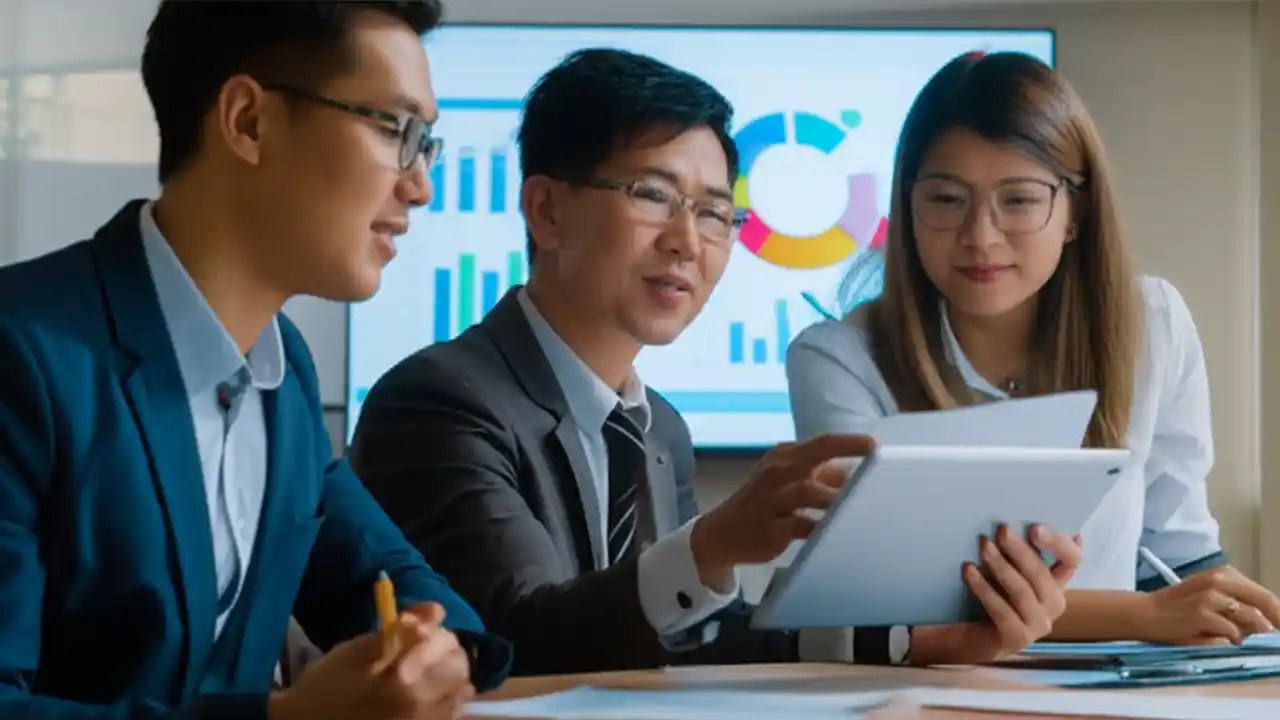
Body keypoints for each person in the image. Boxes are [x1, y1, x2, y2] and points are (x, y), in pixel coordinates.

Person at [349, 47, 1084, 676]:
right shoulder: (442, 401)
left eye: (712, 213)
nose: (687, 240)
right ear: (545, 210)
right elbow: (517, 642)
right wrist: (711, 546)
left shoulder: (659, 429)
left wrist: (918, 642)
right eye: (653, 195)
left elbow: (694, 640)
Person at [0, 2, 512, 718]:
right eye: (394, 129)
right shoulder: (24, 353)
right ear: (248, 121)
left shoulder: (282, 373)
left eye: (425, 142)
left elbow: (390, 579)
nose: (419, 184)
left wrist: (438, 649)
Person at [787, 50, 1280, 647]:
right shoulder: (839, 359)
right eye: (946, 199)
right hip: (927, 696)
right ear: (907, 205)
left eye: (1018, 200)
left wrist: (1238, 625)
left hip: (1116, 691)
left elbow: (1178, 557)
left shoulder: (1153, 323)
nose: (980, 237)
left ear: (1075, 212)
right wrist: (1141, 618)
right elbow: (875, 610)